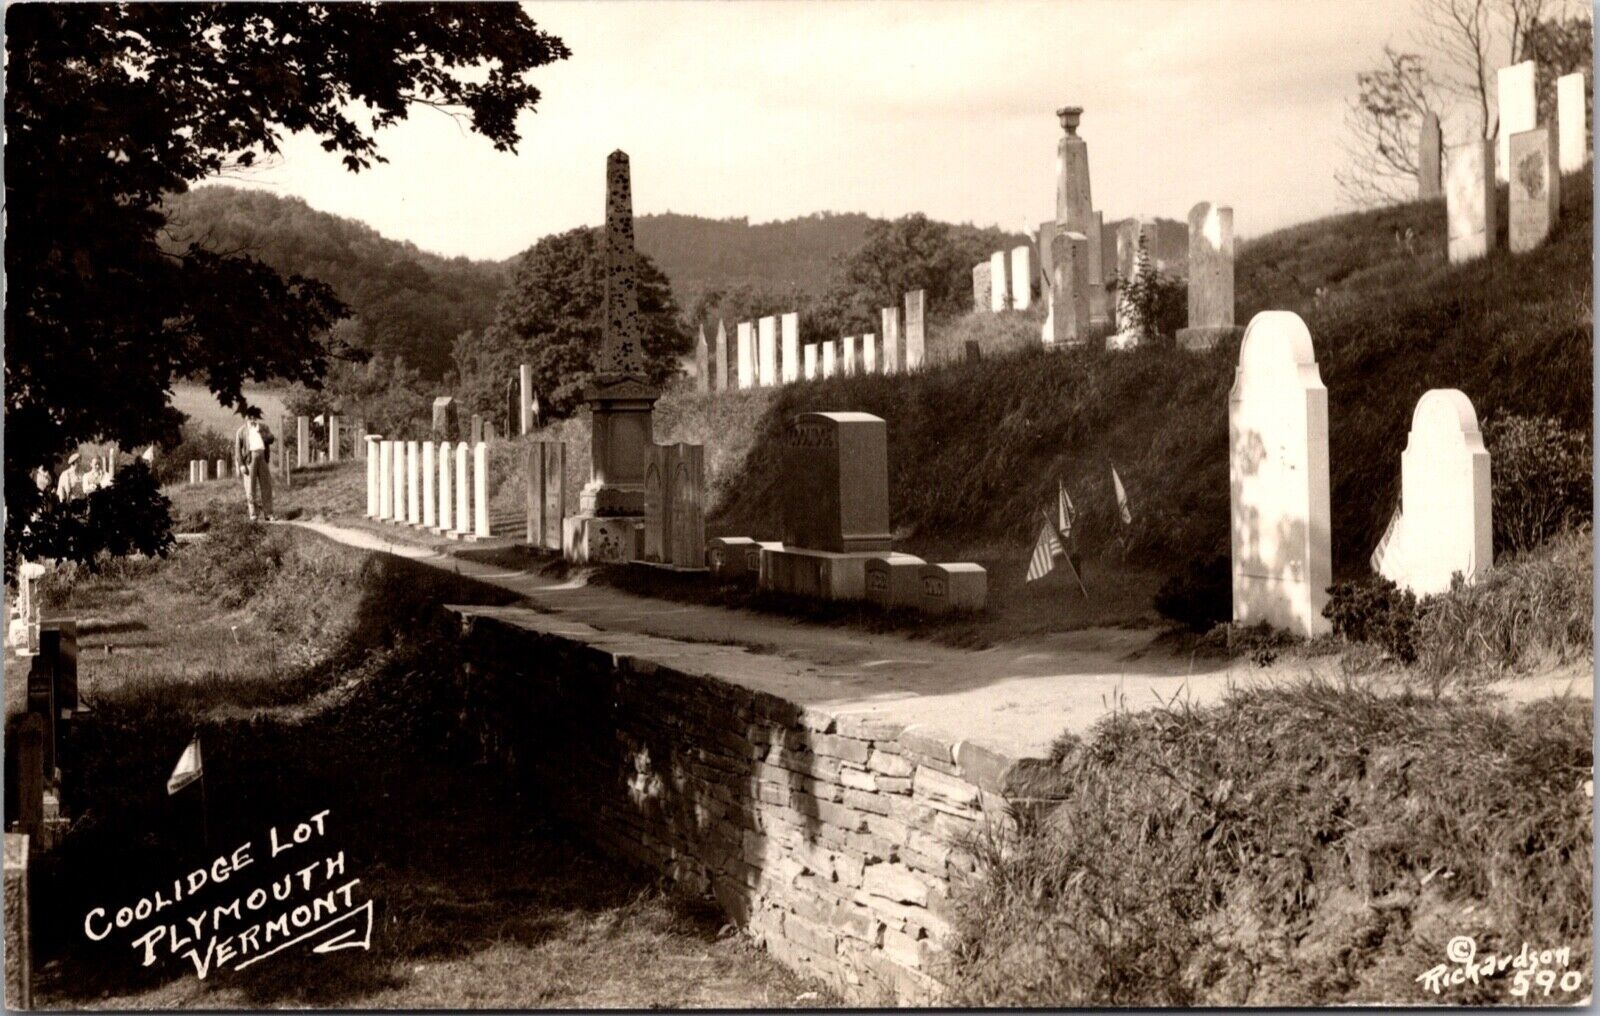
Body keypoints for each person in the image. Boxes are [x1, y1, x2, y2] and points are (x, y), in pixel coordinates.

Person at [234, 417, 276, 521]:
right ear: (246, 417)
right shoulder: (241, 431)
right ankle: (253, 514)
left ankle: (269, 514)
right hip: (250, 459)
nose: (252, 419)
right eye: (250, 416)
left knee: (266, 486)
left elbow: (271, 439)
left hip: (263, 457)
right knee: (250, 487)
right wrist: (241, 465)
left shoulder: (263, 427)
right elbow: (237, 450)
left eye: (254, 416)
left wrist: (261, 431)